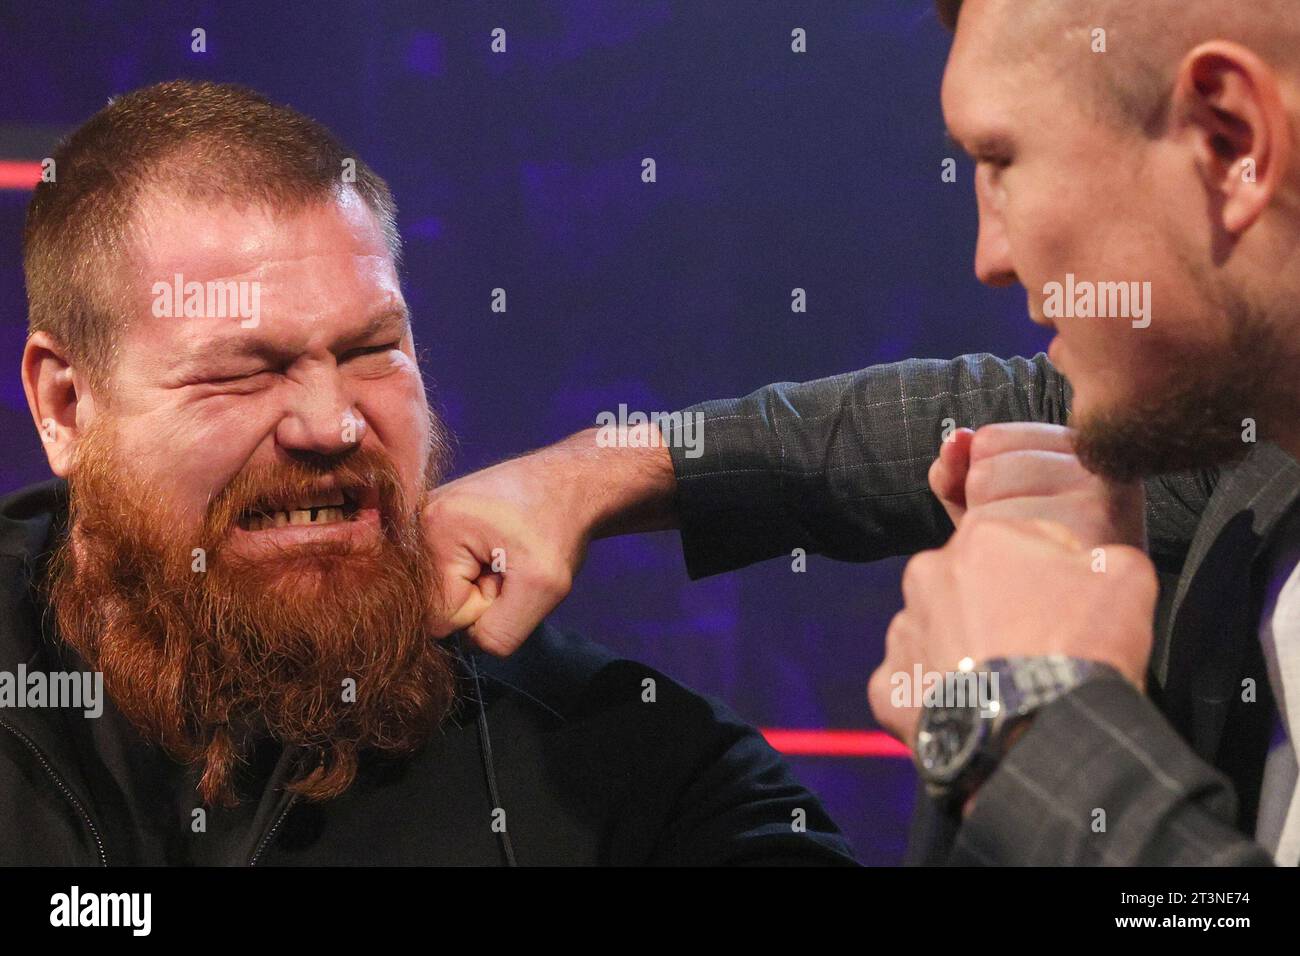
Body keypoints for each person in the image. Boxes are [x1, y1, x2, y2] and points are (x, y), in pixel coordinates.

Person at [427, 0, 1300, 865]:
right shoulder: (1250, 456)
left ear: (1230, 140)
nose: (989, 254)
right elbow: (1029, 408)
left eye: (1002, 161)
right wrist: (596, 474)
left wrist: (1019, 733)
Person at [0, 79, 857, 866]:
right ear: (67, 406)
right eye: (243, 372)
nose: (332, 424)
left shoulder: (635, 776)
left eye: (374, 351)